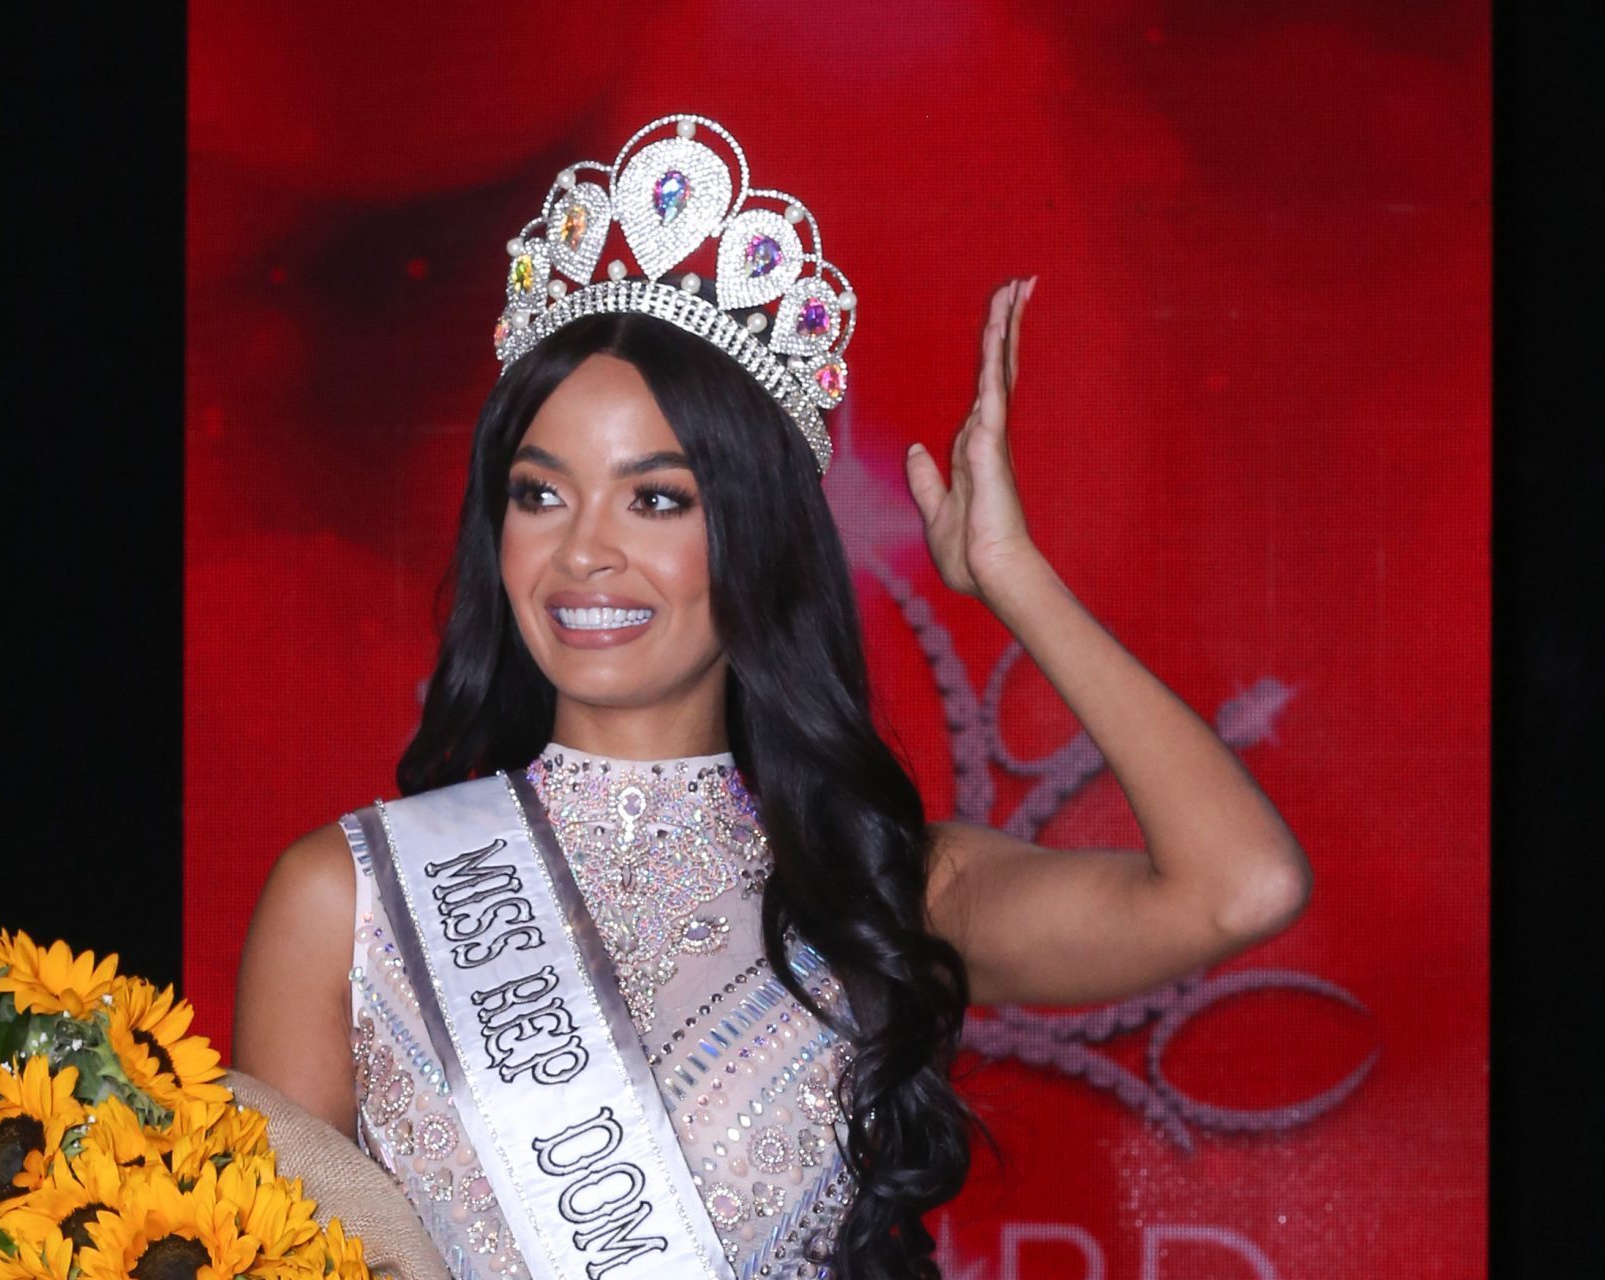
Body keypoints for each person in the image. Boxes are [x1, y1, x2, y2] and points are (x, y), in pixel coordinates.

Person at [231, 116, 1309, 1280]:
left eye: (655, 499)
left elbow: (1237, 886)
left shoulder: (885, 885)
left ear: (755, 532)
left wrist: (1010, 574)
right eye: (539, 494)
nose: (582, 551)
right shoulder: (351, 897)